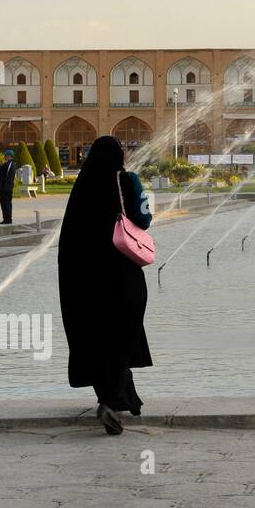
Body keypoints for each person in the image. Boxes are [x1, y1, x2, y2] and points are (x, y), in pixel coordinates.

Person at [57, 135, 153, 435]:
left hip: (84, 280)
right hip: (121, 273)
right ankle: (112, 401)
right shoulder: (126, 181)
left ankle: (121, 397)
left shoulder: (81, 187)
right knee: (124, 329)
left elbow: (69, 240)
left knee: (96, 333)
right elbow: (143, 218)